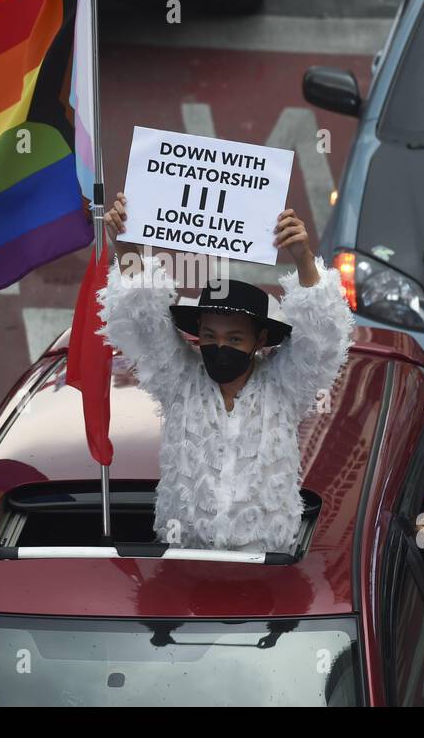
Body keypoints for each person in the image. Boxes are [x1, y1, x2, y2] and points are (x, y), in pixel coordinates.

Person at [97, 192, 353, 554]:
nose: (220, 347)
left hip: (268, 573)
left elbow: (323, 338)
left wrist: (303, 258)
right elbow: (143, 319)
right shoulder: (179, 380)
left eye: (234, 338)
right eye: (209, 336)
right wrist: (125, 247)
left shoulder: (285, 386)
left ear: (260, 339)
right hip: (183, 566)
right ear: (196, 336)